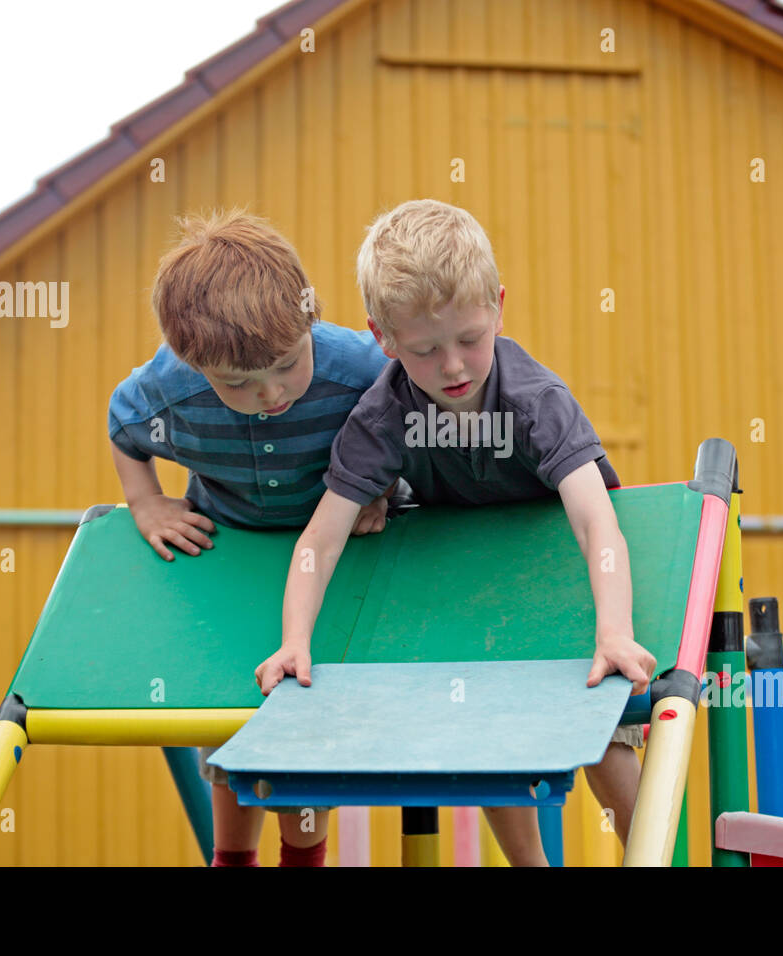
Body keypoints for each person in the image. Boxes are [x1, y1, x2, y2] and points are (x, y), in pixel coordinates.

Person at [254, 198, 656, 865]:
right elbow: (319, 542)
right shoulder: (382, 416)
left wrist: (613, 631)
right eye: (424, 349)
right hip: (470, 581)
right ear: (382, 338)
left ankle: (654, 854)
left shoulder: (533, 402)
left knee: (606, 731)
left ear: (498, 307)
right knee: (489, 730)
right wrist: (294, 641)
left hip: (556, 569)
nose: (453, 367)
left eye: (470, 338)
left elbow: (596, 521)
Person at [108, 209, 396, 866]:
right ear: (195, 363)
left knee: (305, 723)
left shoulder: (359, 369)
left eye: (287, 366)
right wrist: (147, 503)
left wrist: (377, 492)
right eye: (238, 384)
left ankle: (304, 855)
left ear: (308, 320)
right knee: (231, 721)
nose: (270, 394)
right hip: (233, 558)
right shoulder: (170, 391)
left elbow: (406, 421)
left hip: (334, 568)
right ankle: (231, 856)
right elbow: (123, 425)